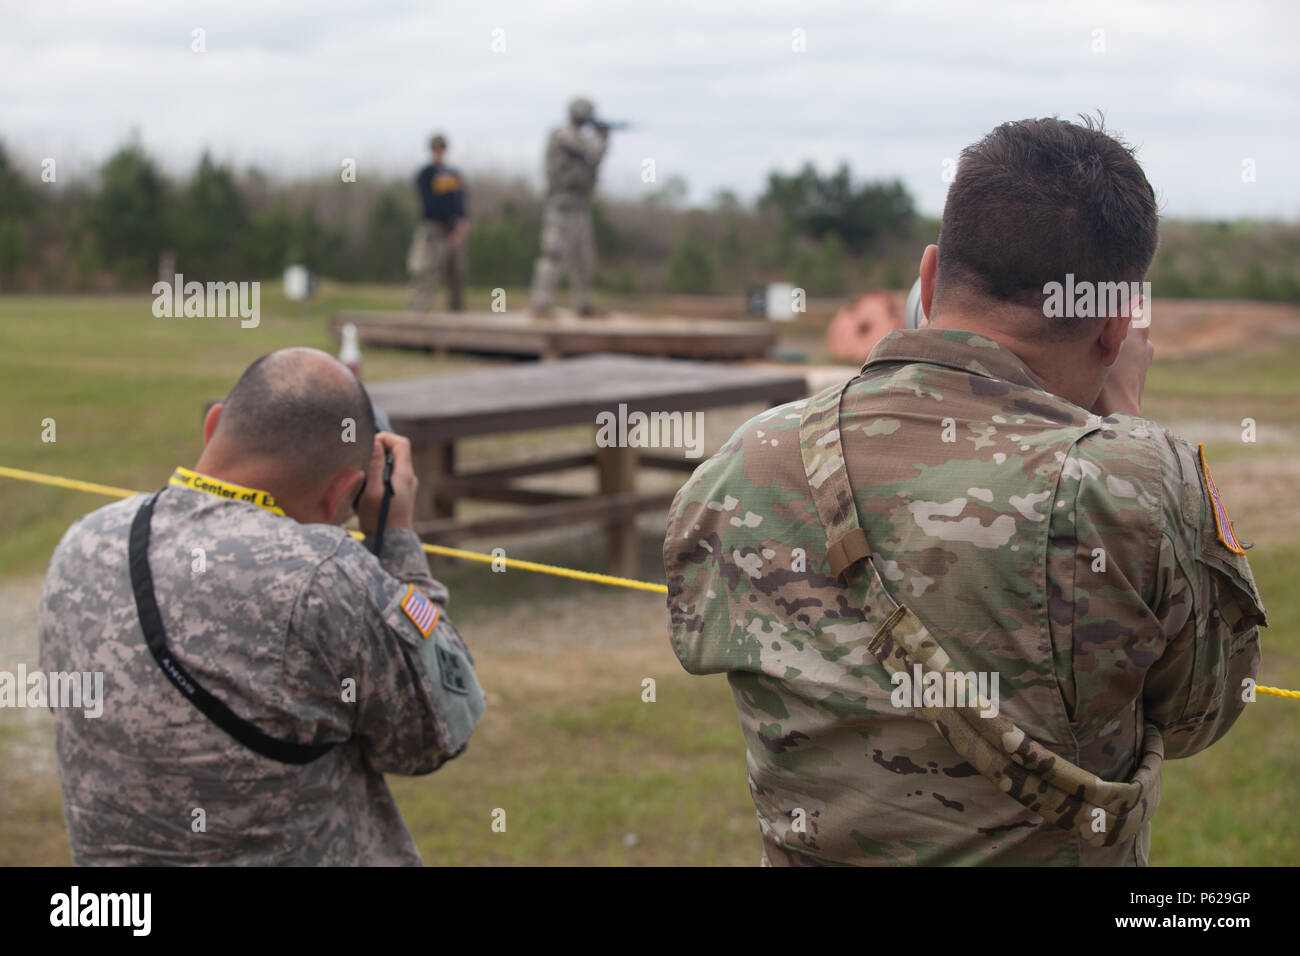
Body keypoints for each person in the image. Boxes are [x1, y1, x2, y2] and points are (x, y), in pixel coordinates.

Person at [664, 116, 1266, 866]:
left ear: (927, 279)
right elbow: (1199, 716)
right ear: (1114, 335)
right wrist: (1128, 426)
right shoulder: (1136, 485)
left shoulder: (743, 465)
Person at [39, 348, 485, 865]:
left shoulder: (85, 542)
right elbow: (437, 731)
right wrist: (396, 541)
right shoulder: (325, 576)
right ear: (343, 490)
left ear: (213, 427)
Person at [530, 97, 609, 318]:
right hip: (561, 204)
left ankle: (584, 303)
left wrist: (604, 140)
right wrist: (599, 139)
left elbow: (595, 159)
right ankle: (541, 303)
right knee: (553, 254)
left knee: (584, 257)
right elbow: (585, 151)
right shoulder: (562, 135)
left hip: (580, 205)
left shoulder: (585, 140)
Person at [409, 133, 470, 312]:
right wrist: (452, 221)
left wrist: (462, 225)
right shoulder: (425, 174)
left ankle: (457, 319)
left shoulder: (454, 175)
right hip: (433, 231)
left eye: (442, 148)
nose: (439, 152)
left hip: (455, 234)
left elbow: (461, 202)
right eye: (436, 148)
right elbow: (430, 203)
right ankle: (416, 317)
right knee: (425, 273)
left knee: (456, 277)